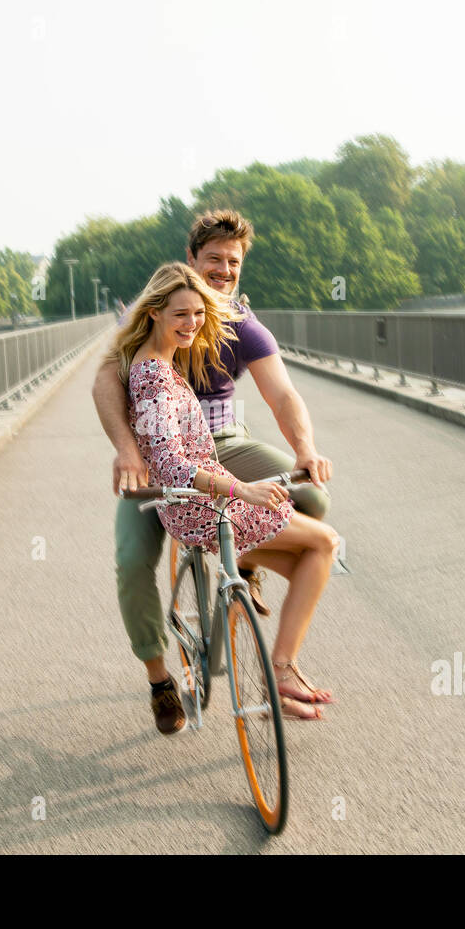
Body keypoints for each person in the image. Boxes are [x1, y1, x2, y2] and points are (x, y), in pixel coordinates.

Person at [99, 257, 340, 730]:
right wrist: (242, 489)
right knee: (324, 542)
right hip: (200, 502)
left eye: (198, 315)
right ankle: (274, 669)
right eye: (181, 315)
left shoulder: (166, 359)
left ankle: (275, 666)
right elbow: (169, 462)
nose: (192, 324)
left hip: (197, 498)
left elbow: (282, 394)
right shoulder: (151, 373)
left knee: (305, 560)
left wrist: (304, 448)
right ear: (154, 314)